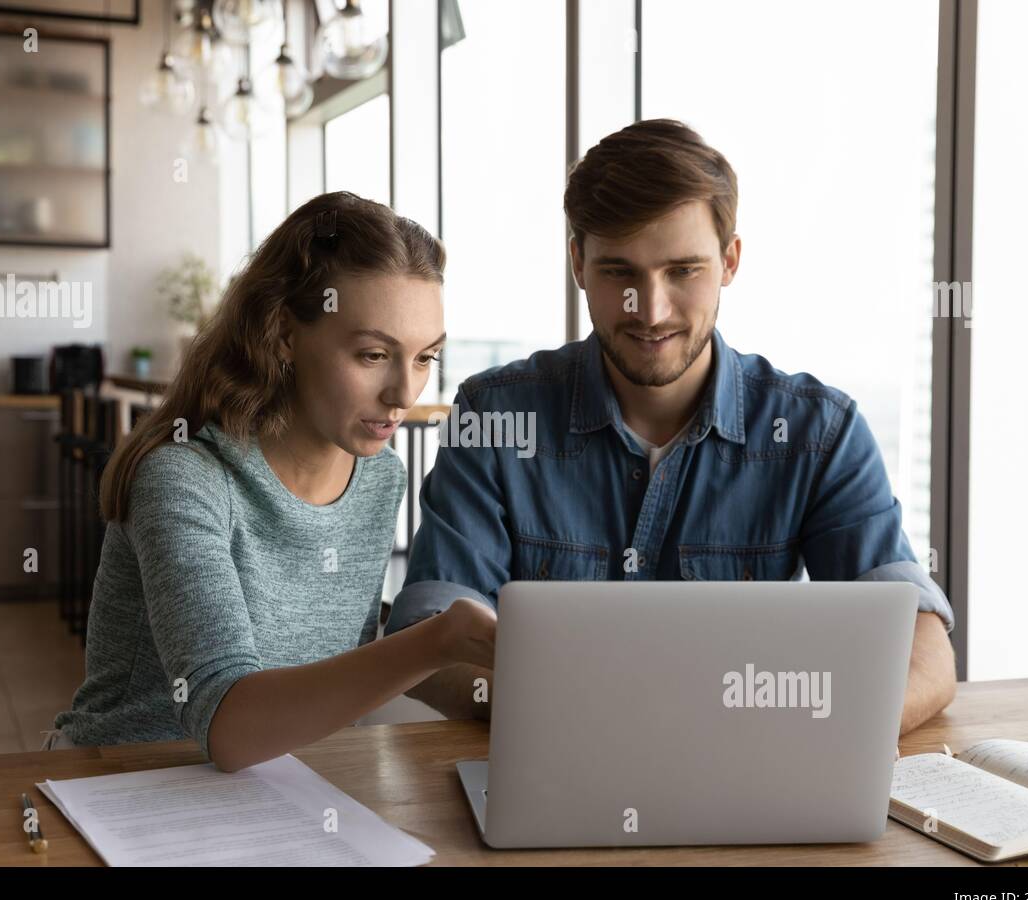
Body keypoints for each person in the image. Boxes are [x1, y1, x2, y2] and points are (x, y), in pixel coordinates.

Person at [386, 119, 956, 734]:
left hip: (750, 769)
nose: (649, 311)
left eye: (683, 270)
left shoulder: (820, 431)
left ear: (729, 261)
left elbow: (922, 648)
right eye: (618, 272)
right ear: (578, 262)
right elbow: (427, 641)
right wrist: (628, 722)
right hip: (556, 776)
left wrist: (817, 735)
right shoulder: (495, 417)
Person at [50, 191, 496, 772]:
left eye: (424, 358)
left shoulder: (381, 475)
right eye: (372, 355)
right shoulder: (183, 477)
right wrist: (435, 641)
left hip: (284, 791)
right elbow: (228, 726)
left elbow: (343, 671)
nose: (403, 394)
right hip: (120, 786)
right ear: (285, 335)